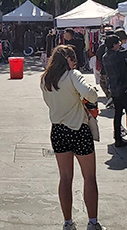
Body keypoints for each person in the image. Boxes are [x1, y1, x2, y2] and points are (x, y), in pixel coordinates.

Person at [41, 45, 102, 230]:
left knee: (65, 178)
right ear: (66, 59)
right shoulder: (73, 76)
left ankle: (68, 222)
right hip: (78, 130)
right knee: (89, 177)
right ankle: (92, 222)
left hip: (58, 131)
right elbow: (91, 94)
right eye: (72, 58)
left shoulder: (45, 80)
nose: (75, 61)